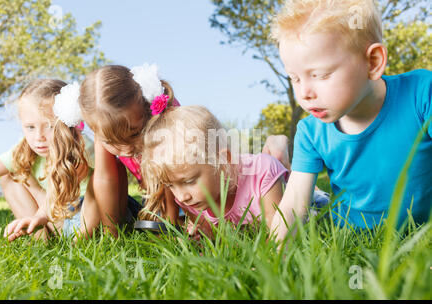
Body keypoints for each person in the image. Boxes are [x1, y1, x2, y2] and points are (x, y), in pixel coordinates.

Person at [269, 0, 432, 243]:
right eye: (294, 78)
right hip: (353, 236)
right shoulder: (310, 131)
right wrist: (273, 258)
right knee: (312, 205)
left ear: (373, 62)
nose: (304, 93)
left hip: (421, 230)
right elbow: (293, 206)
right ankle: (318, 198)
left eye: (320, 75)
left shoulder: (421, 92)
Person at [78, 63, 293, 235]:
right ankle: (84, 232)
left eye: (134, 135)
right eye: (112, 141)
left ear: (147, 112)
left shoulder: (168, 119)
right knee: (95, 189)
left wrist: (170, 227)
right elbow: (106, 179)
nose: (125, 149)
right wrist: (111, 233)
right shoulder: (106, 123)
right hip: (166, 189)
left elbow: (177, 177)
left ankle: (278, 151)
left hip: (178, 185)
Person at [140, 105, 289, 238]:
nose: (181, 197)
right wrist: (204, 236)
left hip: (304, 197)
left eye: (189, 181)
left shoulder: (262, 173)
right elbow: (216, 235)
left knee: (282, 169)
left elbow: (279, 235)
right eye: (170, 185)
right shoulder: (190, 199)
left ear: (223, 161)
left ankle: (278, 149)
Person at [0, 79, 99, 241]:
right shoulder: (23, 150)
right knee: (10, 175)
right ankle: (39, 238)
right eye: (30, 127)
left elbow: (112, 179)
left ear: (68, 122)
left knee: (99, 179)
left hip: (87, 218)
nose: (39, 137)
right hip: (56, 215)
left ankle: (74, 240)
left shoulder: (81, 147)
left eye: (49, 126)